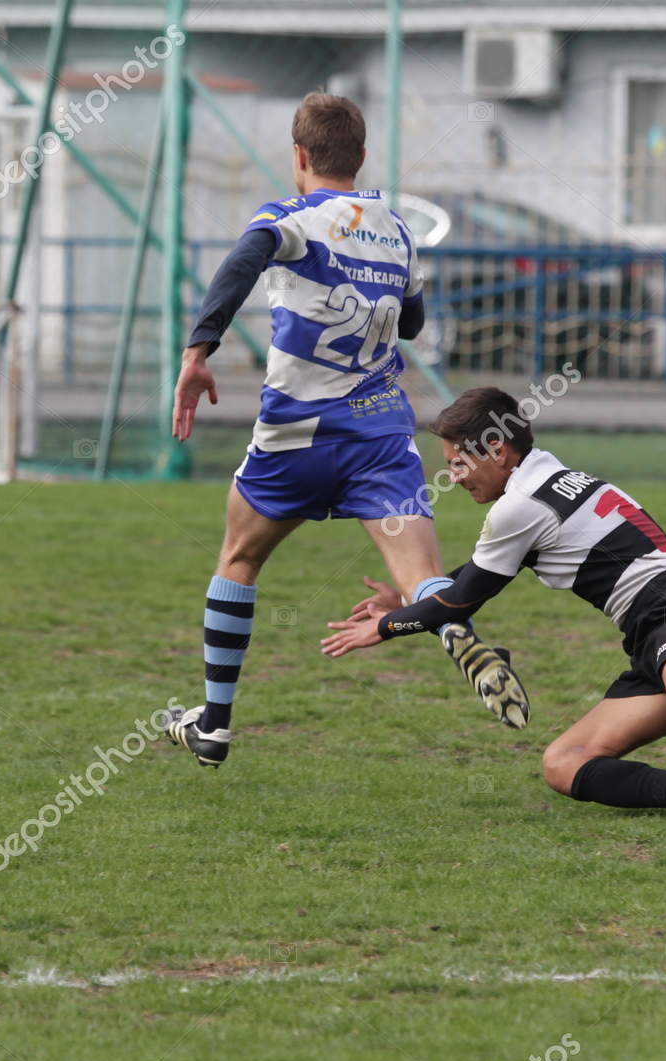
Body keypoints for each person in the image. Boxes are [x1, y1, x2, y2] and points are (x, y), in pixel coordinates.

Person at [164, 93, 528, 769]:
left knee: (239, 560)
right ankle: (462, 638)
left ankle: (213, 722)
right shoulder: (395, 227)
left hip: (294, 437)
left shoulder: (289, 217)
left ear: (299, 157)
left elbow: (244, 260)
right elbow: (412, 325)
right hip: (379, 438)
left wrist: (198, 352)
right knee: (423, 581)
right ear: (360, 158)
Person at [319, 387, 666, 832]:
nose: (451, 476)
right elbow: (470, 577)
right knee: (564, 763)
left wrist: (385, 627)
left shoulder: (519, 506)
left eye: (457, 462)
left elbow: (457, 601)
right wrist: (409, 597)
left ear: (496, 450)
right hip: (655, 625)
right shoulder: (548, 478)